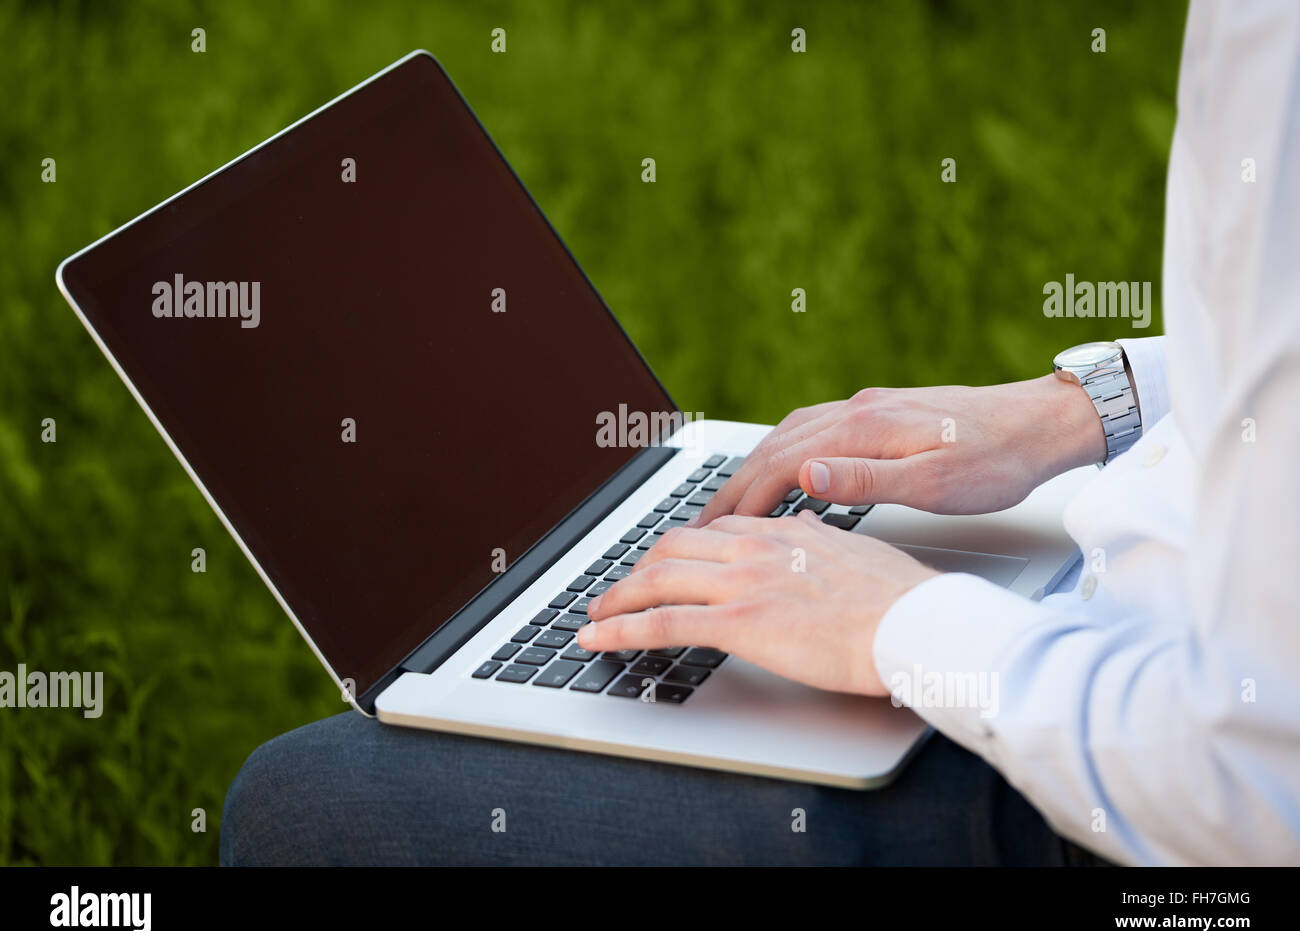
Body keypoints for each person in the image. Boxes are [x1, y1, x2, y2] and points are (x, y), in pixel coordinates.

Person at [221, 0, 1300, 865]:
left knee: (305, 803)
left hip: (1115, 801)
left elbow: (1252, 795)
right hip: (1130, 604)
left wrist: (899, 621)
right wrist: (1098, 403)